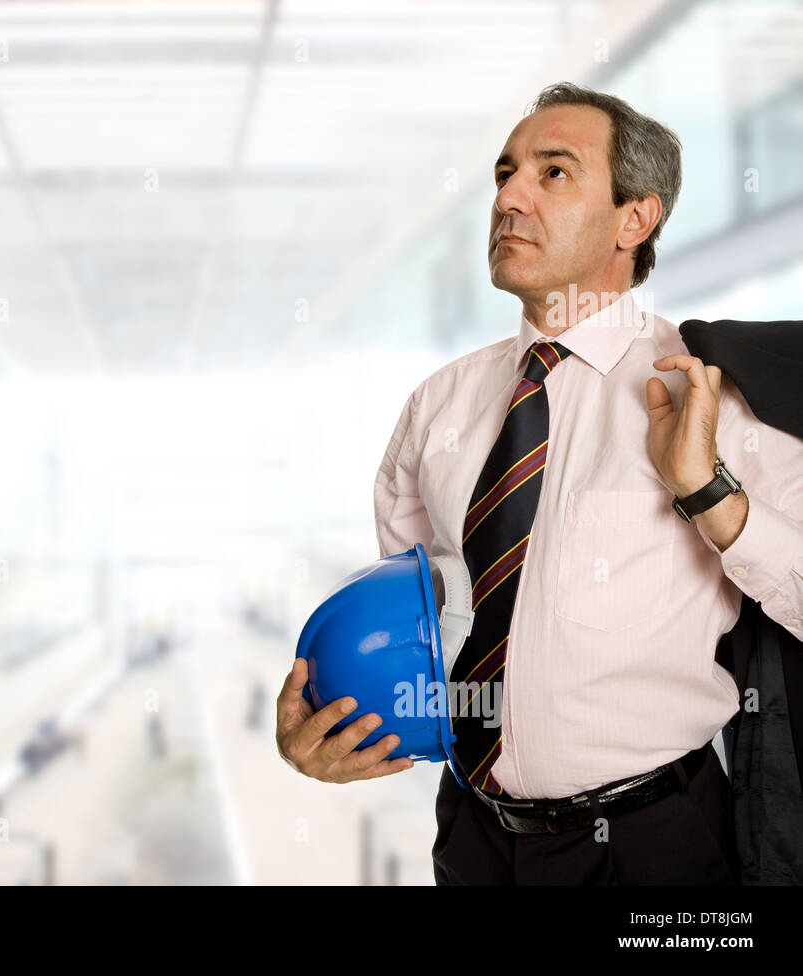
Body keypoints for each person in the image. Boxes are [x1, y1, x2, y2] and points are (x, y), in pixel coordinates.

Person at [276, 81, 803, 885]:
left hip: (656, 847)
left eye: (553, 172)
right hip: (473, 844)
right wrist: (340, 727)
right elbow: (430, 633)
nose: (510, 197)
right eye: (504, 173)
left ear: (636, 219)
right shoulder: (438, 404)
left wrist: (707, 490)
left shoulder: (715, 397)